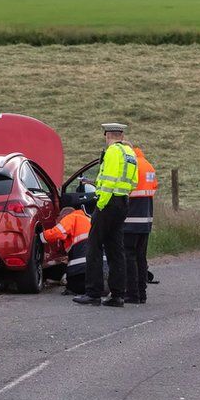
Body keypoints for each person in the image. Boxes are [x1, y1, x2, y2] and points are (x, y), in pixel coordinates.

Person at [74, 122, 138, 307]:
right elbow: (133, 181)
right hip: (123, 202)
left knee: (94, 247)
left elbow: (108, 181)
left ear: (108, 135)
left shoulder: (112, 152)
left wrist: (100, 204)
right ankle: (117, 295)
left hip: (108, 203)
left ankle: (93, 293)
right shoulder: (129, 153)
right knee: (116, 249)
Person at [123, 146, 158, 304]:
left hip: (131, 218)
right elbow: (153, 188)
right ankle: (142, 293)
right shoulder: (148, 165)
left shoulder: (131, 165)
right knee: (141, 257)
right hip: (146, 219)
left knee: (129, 256)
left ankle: (132, 294)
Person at [41, 206, 91, 294]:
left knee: (72, 285)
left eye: (59, 218)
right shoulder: (88, 219)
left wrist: (41, 237)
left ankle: (75, 288)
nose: (58, 221)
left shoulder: (71, 217)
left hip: (82, 267)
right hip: (99, 268)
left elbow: (57, 232)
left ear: (63, 215)